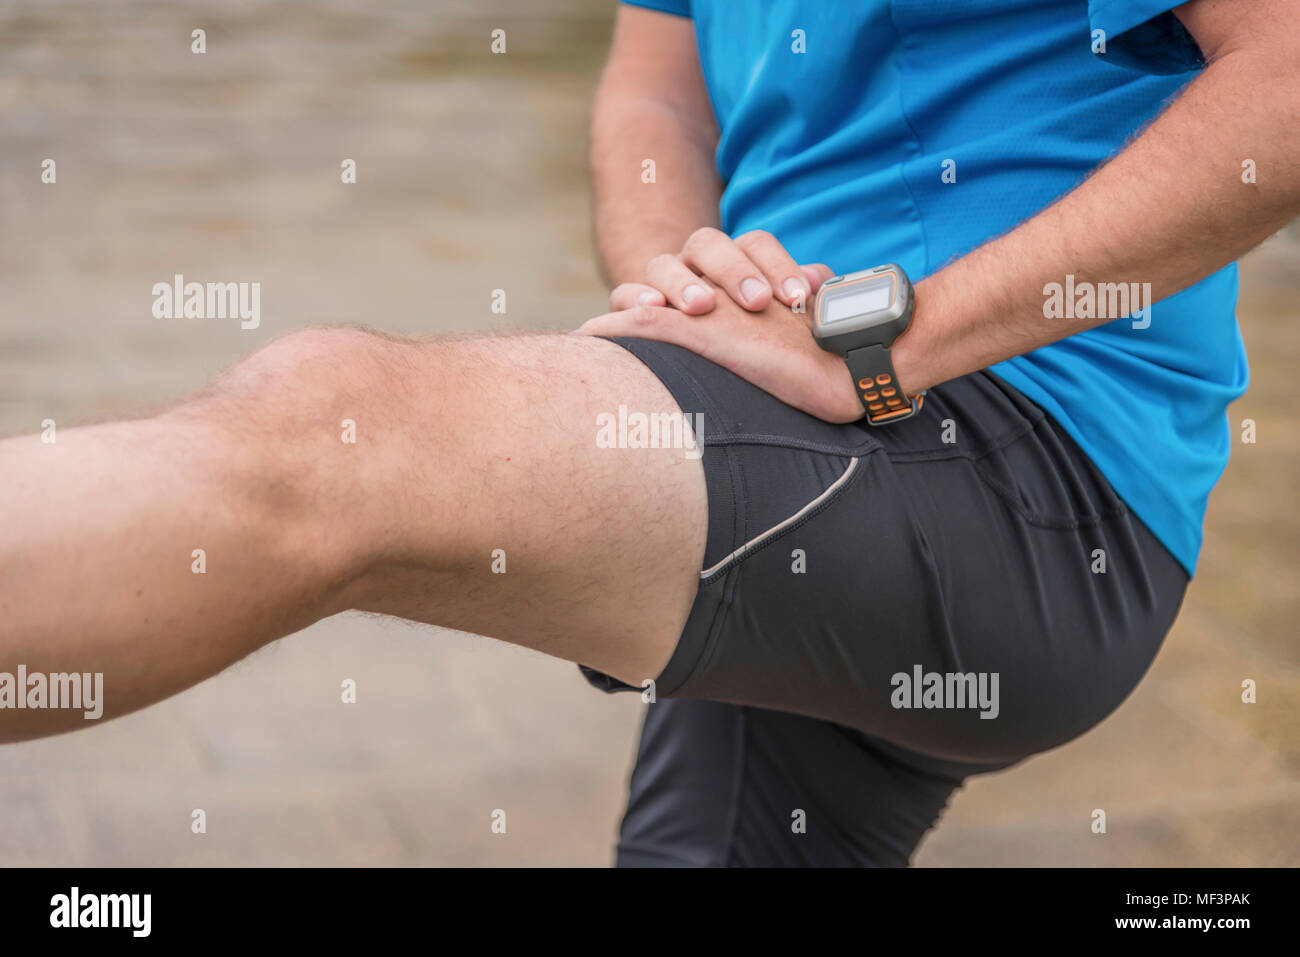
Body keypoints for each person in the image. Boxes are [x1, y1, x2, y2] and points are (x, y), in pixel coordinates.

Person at [0, 0, 1294, 867]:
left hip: (1028, 463)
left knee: (335, 437)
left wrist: (885, 337)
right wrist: (682, 283)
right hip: (779, 412)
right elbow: (651, 89)